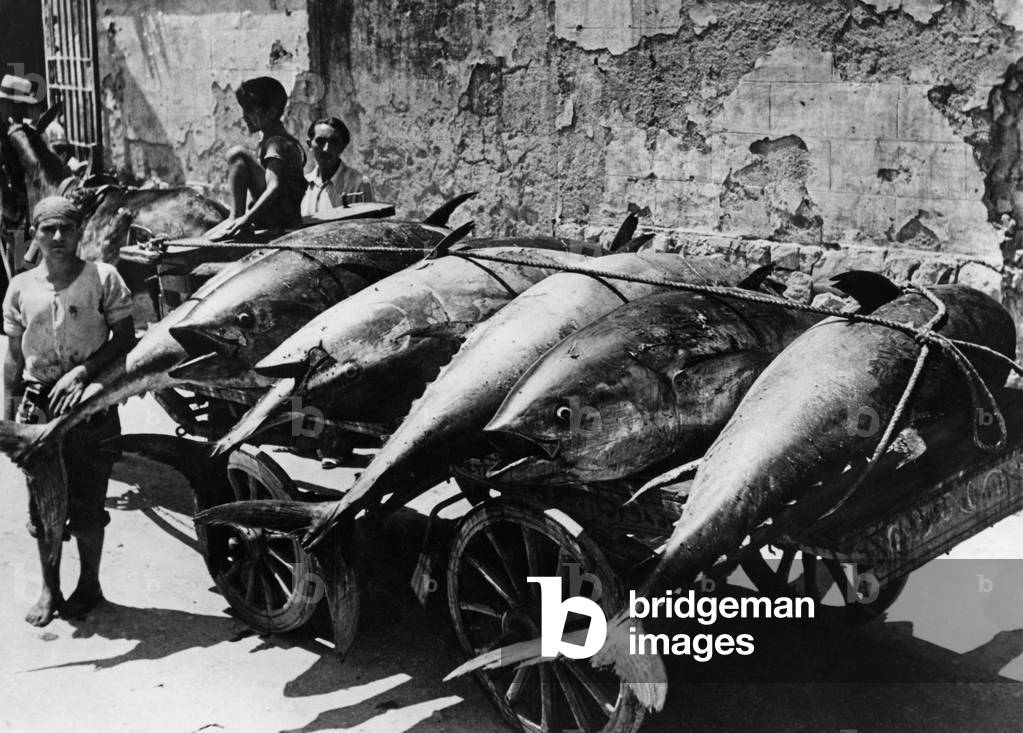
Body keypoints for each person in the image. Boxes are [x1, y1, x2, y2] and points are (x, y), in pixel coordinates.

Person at [2, 196, 134, 626]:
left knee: (89, 500)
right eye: (48, 229)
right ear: (35, 235)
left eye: (67, 228)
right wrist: (8, 413)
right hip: (38, 406)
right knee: (43, 505)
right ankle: (49, 587)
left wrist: (82, 372)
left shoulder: (103, 277)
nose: (58, 238)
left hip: (89, 402)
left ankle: (89, 584)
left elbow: (124, 338)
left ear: (81, 232)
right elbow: (13, 358)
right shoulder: (21, 286)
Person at [210, 77, 307, 240]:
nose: (245, 117)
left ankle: (235, 217)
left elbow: (274, 187)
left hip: (280, 218)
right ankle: (235, 217)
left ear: (271, 113)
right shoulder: (269, 139)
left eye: (250, 111)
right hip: (282, 214)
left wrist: (246, 220)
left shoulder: (275, 143)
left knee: (237, 155)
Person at [301, 117, 374, 217]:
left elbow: (368, 227)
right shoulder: (301, 185)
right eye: (320, 141)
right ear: (310, 145)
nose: (326, 149)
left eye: (334, 142)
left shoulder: (358, 185)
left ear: (342, 147)